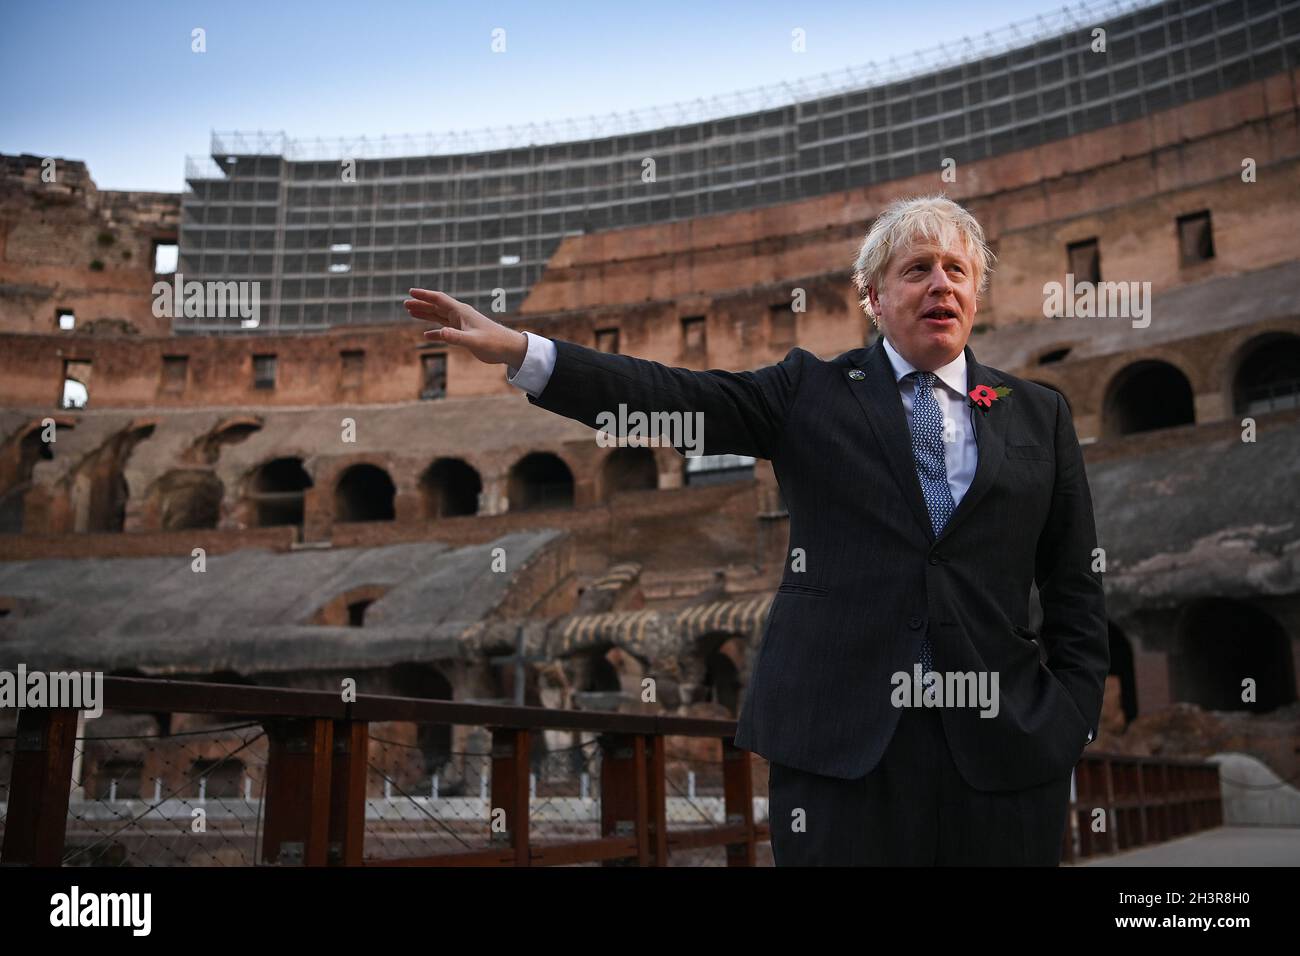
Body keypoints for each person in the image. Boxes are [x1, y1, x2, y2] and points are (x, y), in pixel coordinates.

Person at [404, 192, 1108, 866]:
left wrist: (1070, 715)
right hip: (844, 751)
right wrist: (528, 354)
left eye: (957, 270)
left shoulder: (1036, 414)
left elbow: (1074, 582)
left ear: (977, 294)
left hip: (1001, 749)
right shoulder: (811, 392)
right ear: (873, 296)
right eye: (916, 269)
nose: (940, 285)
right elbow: (675, 398)